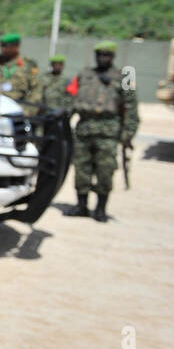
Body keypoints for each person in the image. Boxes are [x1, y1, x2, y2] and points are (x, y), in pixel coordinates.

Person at [69, 41, 139, 222]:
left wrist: (128, 133)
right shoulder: (85, 74)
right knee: (81, 170)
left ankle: (100, 208)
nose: (102, 58)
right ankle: (81, 206)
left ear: (113, 57)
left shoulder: (125, 76)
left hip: (108, 132)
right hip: (84, 129)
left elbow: (131, 107)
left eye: (107, 55)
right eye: (100, 55)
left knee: (105, 171)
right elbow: (71, 100)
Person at [0, 32, 42, 113]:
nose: (3, 49)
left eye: (6, 46)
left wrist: (28, 110)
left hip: (19, 108)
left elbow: (36, 89)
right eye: (1, 45)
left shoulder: (28, 64)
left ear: (16, 46)